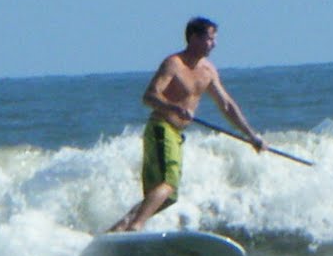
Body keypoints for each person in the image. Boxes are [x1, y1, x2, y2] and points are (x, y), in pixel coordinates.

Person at [107, 16, 267, 232]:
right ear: (194, 38)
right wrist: (173, 107)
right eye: (209, 39)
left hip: (176, 135)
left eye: (214, 39)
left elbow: (227, 105)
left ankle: (119, 229)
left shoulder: (208, 71)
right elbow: (149, 96)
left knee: (167, 196)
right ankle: (136, 226)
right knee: (167, 185)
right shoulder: (174, 64)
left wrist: (251, 135)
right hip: (161, 128)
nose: (214, 44)